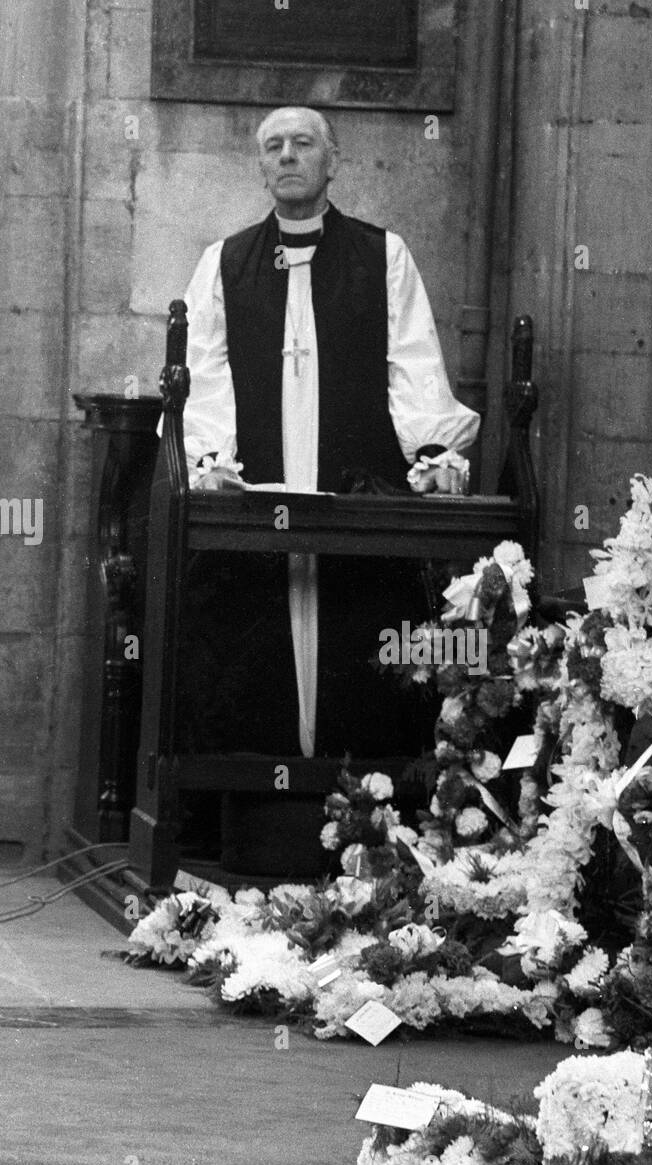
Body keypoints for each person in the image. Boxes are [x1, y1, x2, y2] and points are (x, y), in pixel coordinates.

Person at [174, 106, 479, 768]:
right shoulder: (224, 264)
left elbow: (414, 365)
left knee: (361, 643)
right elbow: (204, 377)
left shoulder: (382, 256)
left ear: (332, 160)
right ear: (260, 166)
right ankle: (250, 812)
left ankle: (361, 808)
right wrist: (212, 463)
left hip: (353, 492)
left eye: (303, 143)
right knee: (251, 650)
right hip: (260, 495)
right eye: (273, 146)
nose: (287, 155)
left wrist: (432, 454)